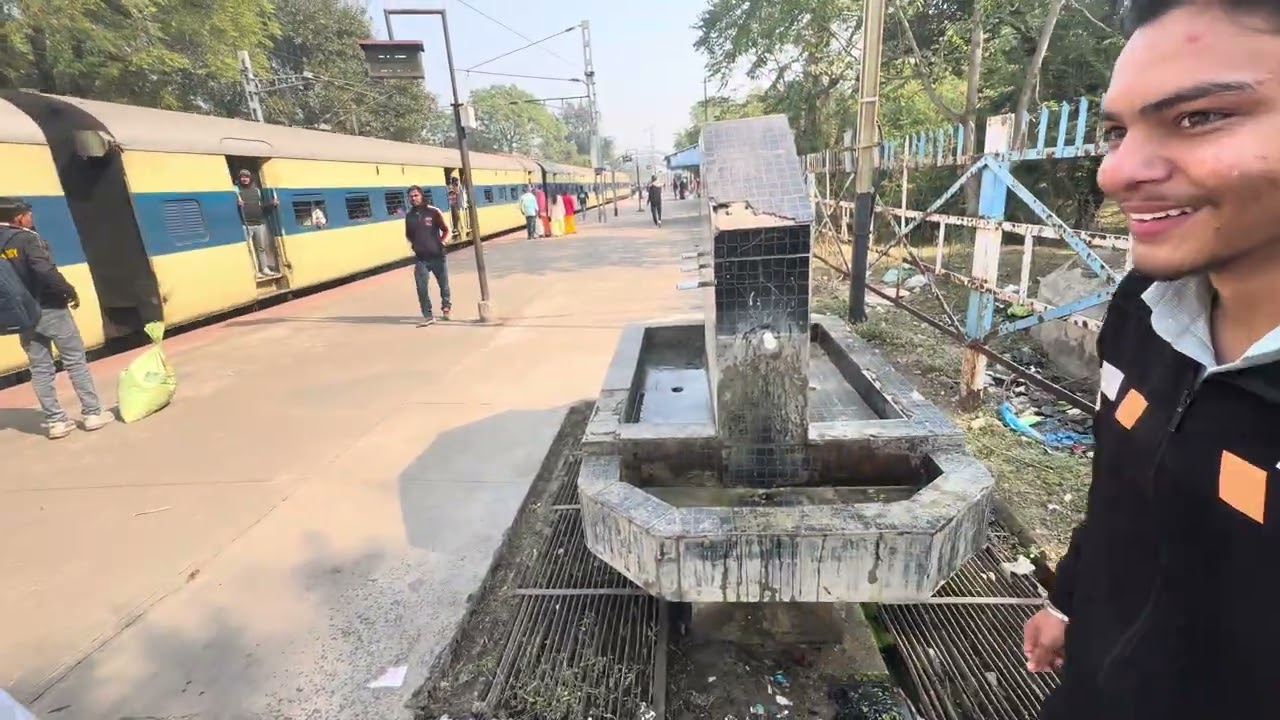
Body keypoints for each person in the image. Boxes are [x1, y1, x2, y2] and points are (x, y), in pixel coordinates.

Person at [1022, 3, 1280, 719]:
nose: (1116, 171)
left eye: (1200, 116)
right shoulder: (1145, 308)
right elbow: (1119, 489)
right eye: (1116, 131)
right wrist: (1069, 603)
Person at [0, 197, 112, 439]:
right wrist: (68, 290)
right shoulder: (27, 238)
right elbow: (44, 270)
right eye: (28, 214)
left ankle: (55, 422)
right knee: (74, 360)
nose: (31, 218)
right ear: (18, 217)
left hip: (22, 315)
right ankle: (93, 413)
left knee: (40, 368)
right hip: (50, 308)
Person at [404, 185, 451, 325]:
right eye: (411, 196)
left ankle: (446, 307)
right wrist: (416, 246)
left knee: (443, 284)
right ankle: (428, 315)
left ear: (421, 196)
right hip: (421, 258)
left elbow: (446, 230)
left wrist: (441, 243)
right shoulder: (409, 216)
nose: (413, 198)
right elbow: (409, 235)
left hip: (437, 255)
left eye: (416, 195)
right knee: (421, 287)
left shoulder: (433, 212)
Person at [235, 169, 279, 277]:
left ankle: (264, 268)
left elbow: (261, 207)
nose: (244, 179)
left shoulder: (256, 191)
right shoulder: (236, 191)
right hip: (245, 224)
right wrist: (237, 204)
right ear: (240, 179)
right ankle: (254, 271)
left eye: (246, 176)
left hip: (259, 223)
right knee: (248, 249)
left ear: (250, 178)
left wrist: (272, 204)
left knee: (261, 248)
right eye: (242, 177)